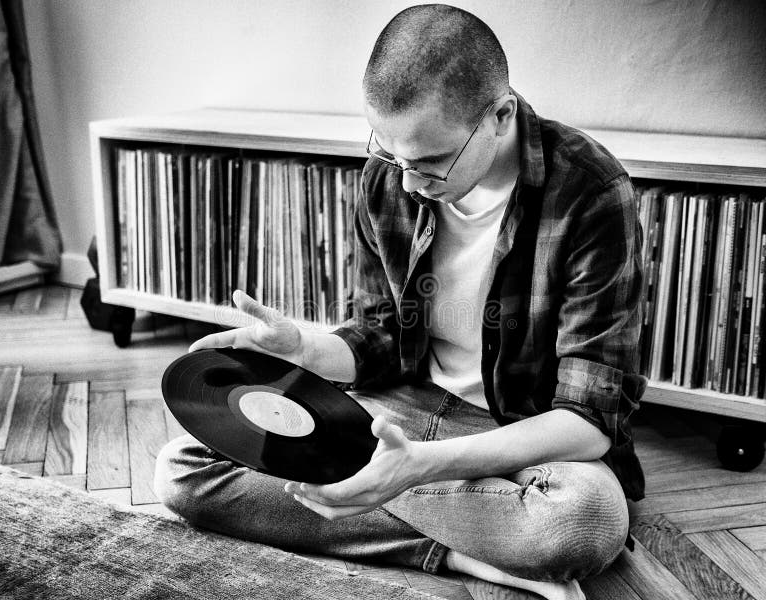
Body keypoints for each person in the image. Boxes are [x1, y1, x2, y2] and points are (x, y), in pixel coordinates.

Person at [155, 5, 646, 599]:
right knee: (184, 471)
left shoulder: (591, 191)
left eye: (433, 162)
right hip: (400, 407)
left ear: (500, 116)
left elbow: (588, 421)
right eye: (390, 154)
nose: (409, 183)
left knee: (582, 521)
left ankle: (388, 495)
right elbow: (379, 336)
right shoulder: (387, 174)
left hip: (520, 428)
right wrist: (304, 348)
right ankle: (463, 554)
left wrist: (419, 467)